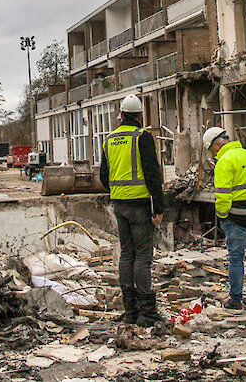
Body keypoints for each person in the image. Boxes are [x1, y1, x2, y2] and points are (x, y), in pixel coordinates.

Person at [100, 94, 165, 327]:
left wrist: (118, 191)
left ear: (121, 115)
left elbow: (103, 177)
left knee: (127, 255)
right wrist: (158, 207)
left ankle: (130, 311)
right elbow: (152, 174)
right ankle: (147, 312)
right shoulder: (142, 137)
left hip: (119, 205)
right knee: (143, 257)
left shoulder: (109, 139)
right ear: (139, 115)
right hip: (140, 205)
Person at [203, 126, 246, 312]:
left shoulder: (225, 161)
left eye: (212, 149)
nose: (213, 154)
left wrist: (222, 216)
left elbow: (222, 196)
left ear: (217, 144)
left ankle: (236, 301)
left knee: (236, 259)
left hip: (237, 218)